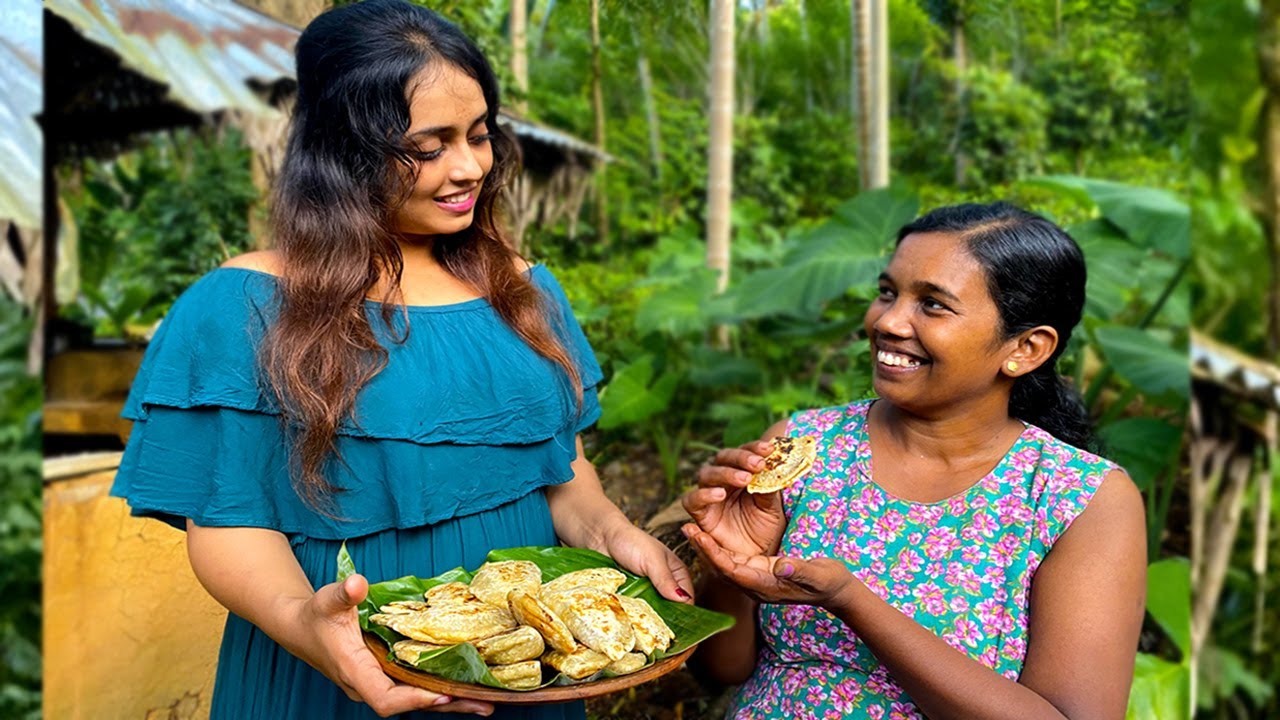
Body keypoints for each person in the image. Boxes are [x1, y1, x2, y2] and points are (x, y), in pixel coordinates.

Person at [110, 2, 691, 718]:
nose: (470, 167)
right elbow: (228, 524)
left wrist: (615, 536)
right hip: (327, 674)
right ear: (342, 148)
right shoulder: (237, 308)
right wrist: (310, 629)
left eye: (479, 136)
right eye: (430, 145)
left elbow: (564, 478)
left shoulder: (524, 290)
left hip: (523, 672)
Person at [682, 202, 1147, 719]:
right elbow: (722, 669)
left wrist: (853, 602)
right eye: (888, 292)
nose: (887, 321)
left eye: (933, 305)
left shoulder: (1078, 498)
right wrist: (729, 571)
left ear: (1026, 348)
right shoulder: (805, 444)